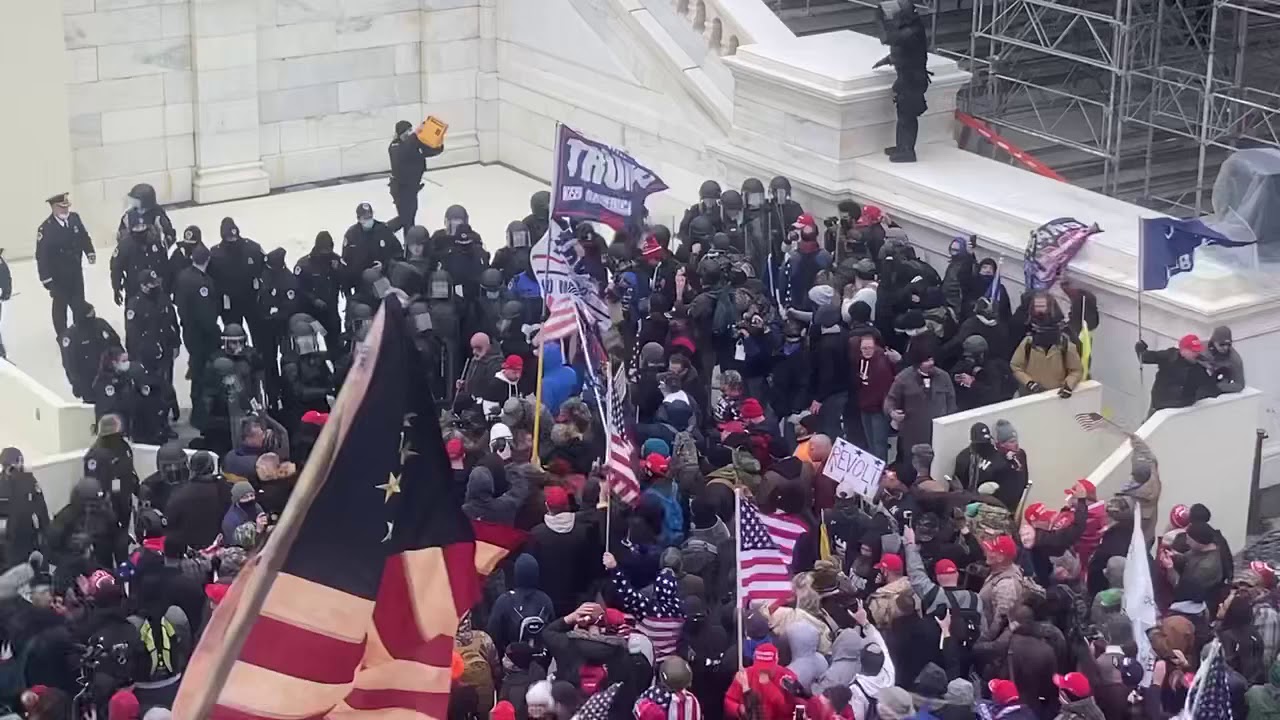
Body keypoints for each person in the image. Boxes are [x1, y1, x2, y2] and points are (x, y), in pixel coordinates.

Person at [884, 338, 956, 475]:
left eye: (932, 359)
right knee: (910, 472)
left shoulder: (944, 377)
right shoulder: (903, 379)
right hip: (912, 438)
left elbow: (952, 403)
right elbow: (890, 400)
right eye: (926, 360)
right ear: (917, 362)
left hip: (937, 437)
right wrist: (893, 413)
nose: (931, 363)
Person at [872, 0, 929, 163]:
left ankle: (908, 151)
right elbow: (903, 51)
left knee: (907, 116)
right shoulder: (910, 28)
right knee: (903, 113)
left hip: (912, 80)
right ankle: (902, 147)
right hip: (908, 78)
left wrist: (879, 20)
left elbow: (889, 39)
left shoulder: (913, 30)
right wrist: (888, 60)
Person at [36, 192, 96, 339]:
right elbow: (41, 256)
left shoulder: (75, 218)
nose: (65, 210)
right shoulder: (46, 229)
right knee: (60, 307)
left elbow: (83, 236)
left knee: (79, 303)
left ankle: (81, 331)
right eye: (61, 208)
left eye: (66, 207)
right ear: (54, 208)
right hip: (58, 277)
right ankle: (63, 336)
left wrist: (90, 252)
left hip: (75, 272)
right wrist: (46, 279)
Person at [173, 245, 221, 411]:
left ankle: (197, 405)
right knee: (201, 372)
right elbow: (205, 314)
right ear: (207, 260)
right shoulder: (203, 283)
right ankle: (201, 408)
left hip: (189, 329)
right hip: (202, 334)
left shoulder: (183, 276)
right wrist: (215, 333)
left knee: (195, 365)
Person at [1136, 333, 1221, 414]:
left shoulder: (1200, 366)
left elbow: (1210, 387)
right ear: (1183, 350)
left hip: (1182, 407)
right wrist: (1140, 349)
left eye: (1198, 351)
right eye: (1193, 351)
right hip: (1160, 403)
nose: (1196, 353)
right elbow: (1146, 357)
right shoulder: (1169, 356)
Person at [60, 302, 122, 401]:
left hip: (108, 377)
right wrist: (76, 383)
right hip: (88, 382)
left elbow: (115, 343)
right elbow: (69, 362)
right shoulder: (71, 336)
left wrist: (121, 365)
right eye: (90, 313)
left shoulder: (101, 325)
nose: (93, 314)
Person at [387, 120, 442, 233]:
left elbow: (430, 150)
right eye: (406, 132)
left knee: (409, 216)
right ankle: (385, 230)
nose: (409, 134)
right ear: (399, 134)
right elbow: (403, 152)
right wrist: (416, 135)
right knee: (406, 219)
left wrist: (438, 143)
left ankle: (387, 230)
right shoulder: (395, 146)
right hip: (400, 188)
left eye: (410, 130)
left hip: (412, 188)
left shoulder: (414, 144)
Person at [0, 448, 51, 569]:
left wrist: (45, 531)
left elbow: (41, 507)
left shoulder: (28, 480)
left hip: (28, 536)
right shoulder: (24, 480)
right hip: (11, 540)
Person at [1011, 317, 1083, 397]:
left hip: (1056, 396)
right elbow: (1015, 366)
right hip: (1030, 396)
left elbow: (1076, 370)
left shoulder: (1066, 347)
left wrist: (1068, 385)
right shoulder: (1027, 344)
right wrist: (1029, 383)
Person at [112, 209, 169, 306]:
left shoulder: (155, 242)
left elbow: (164, 264)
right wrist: (116, 288)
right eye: (136, 227)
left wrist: (167, 284)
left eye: (142, 226)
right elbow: (116, 268)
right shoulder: (124, 246)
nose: (140, 230)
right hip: (134, 290)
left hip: (155, 288)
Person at [342, 203, 403, 290]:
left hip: (382, 279)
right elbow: (346, 261)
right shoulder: (352, 234)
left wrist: (384, 266)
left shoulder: (383, 230)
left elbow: (397, 253)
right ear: (358, 218)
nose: (368, 220)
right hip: (361, 282)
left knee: (383, 299)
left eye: (370, 217)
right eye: (365, 218)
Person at [119, 183, 177, 249]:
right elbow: (121, 234)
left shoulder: (157, 215)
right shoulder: (129, 215)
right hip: (133, 251)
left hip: (153, 250)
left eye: (136, 201)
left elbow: (169, 235)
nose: (134, 204)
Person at [1206, 325, 1246, 394]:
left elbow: (1240, 385)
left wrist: (1218, 387)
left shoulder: (1235, 360)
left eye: (1228, 344)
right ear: (1214, 342)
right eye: (1222, 344)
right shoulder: (1202, 350)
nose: (1225, 347)